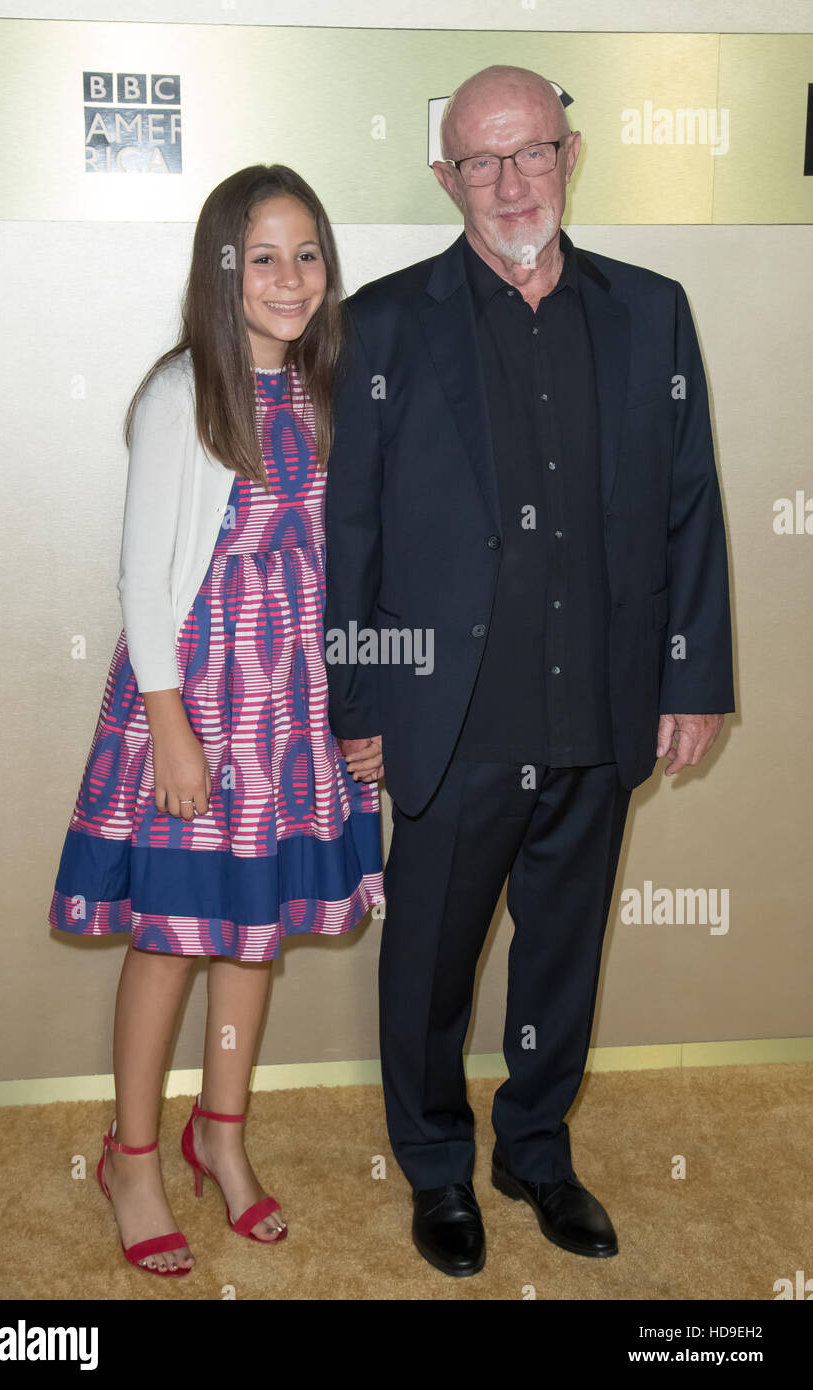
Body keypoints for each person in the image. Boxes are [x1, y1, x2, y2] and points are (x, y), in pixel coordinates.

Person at [324, 65, 733, 1277]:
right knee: (430, 964)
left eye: (531, 153)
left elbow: (689, 509)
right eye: (480, 163)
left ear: (570, 152)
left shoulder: (651, 312)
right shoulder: (385, 324)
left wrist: (690, 676)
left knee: (562, 946)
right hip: (450, 718)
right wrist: (361, 698)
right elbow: (353, 538)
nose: (510, 184)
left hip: (598, 707)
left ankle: (535, 1152)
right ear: (444, 177)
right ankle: (437, 1165)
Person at [48, 165, 384, 1276]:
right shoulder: (183, 392)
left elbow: (347, 569)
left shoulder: (333, 388)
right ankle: (132, 1157)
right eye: (260, 257)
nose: (287, 278)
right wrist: (172, 727)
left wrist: (353, 703)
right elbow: (143, 581)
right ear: (220, 271)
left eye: (305, 254)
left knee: (256, 935)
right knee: (168, 941)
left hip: (290, 712)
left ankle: (221, 1136)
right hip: (192, 708)